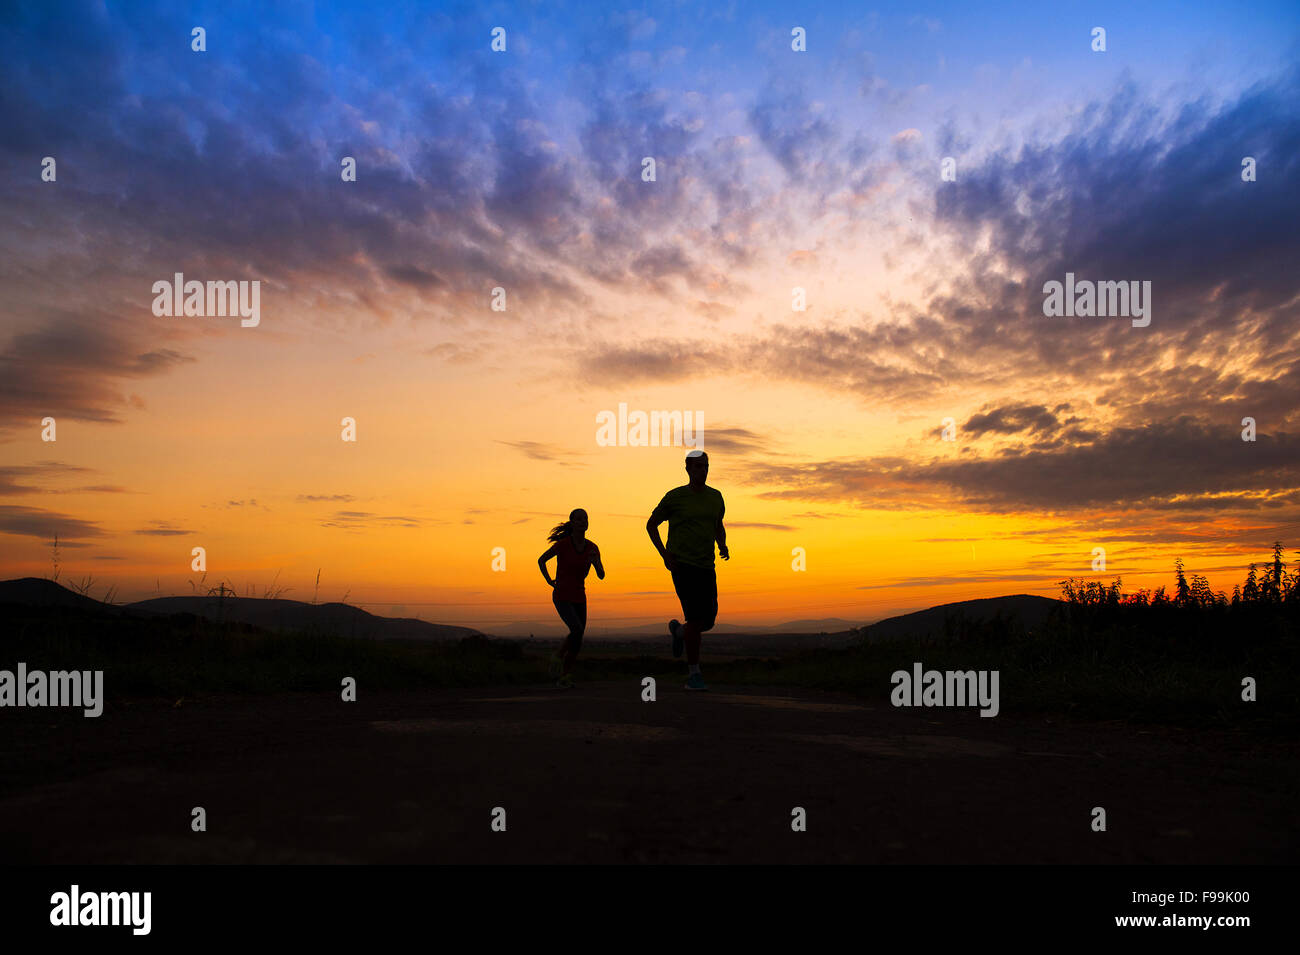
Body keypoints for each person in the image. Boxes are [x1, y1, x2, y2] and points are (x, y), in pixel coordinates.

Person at [646, 449, 728, 690]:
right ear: (688, 469)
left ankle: (679, 633)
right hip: (682, 565)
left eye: (706, 466)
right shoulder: (675, 497)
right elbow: (651, 525)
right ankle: (694, 674)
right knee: (694, 619)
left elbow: (717, 525)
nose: (703, 470)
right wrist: (664, 554)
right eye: (698, 466)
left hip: (706, 565)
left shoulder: (716, 497)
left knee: (708, 621)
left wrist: (722, 544)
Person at [538, 508, 604, 688]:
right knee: (576, 629)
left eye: (586, 519)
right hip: (561, 595)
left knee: (578, 636)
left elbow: (601, 575)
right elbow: (541, 560)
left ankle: (564, 676)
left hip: (579, 596)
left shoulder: (592, 548)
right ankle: (558, 656)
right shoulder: (563, 545)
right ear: (572, 523)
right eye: (579, 519)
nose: (583, 522)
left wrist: (595, 562)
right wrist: (549, 580)